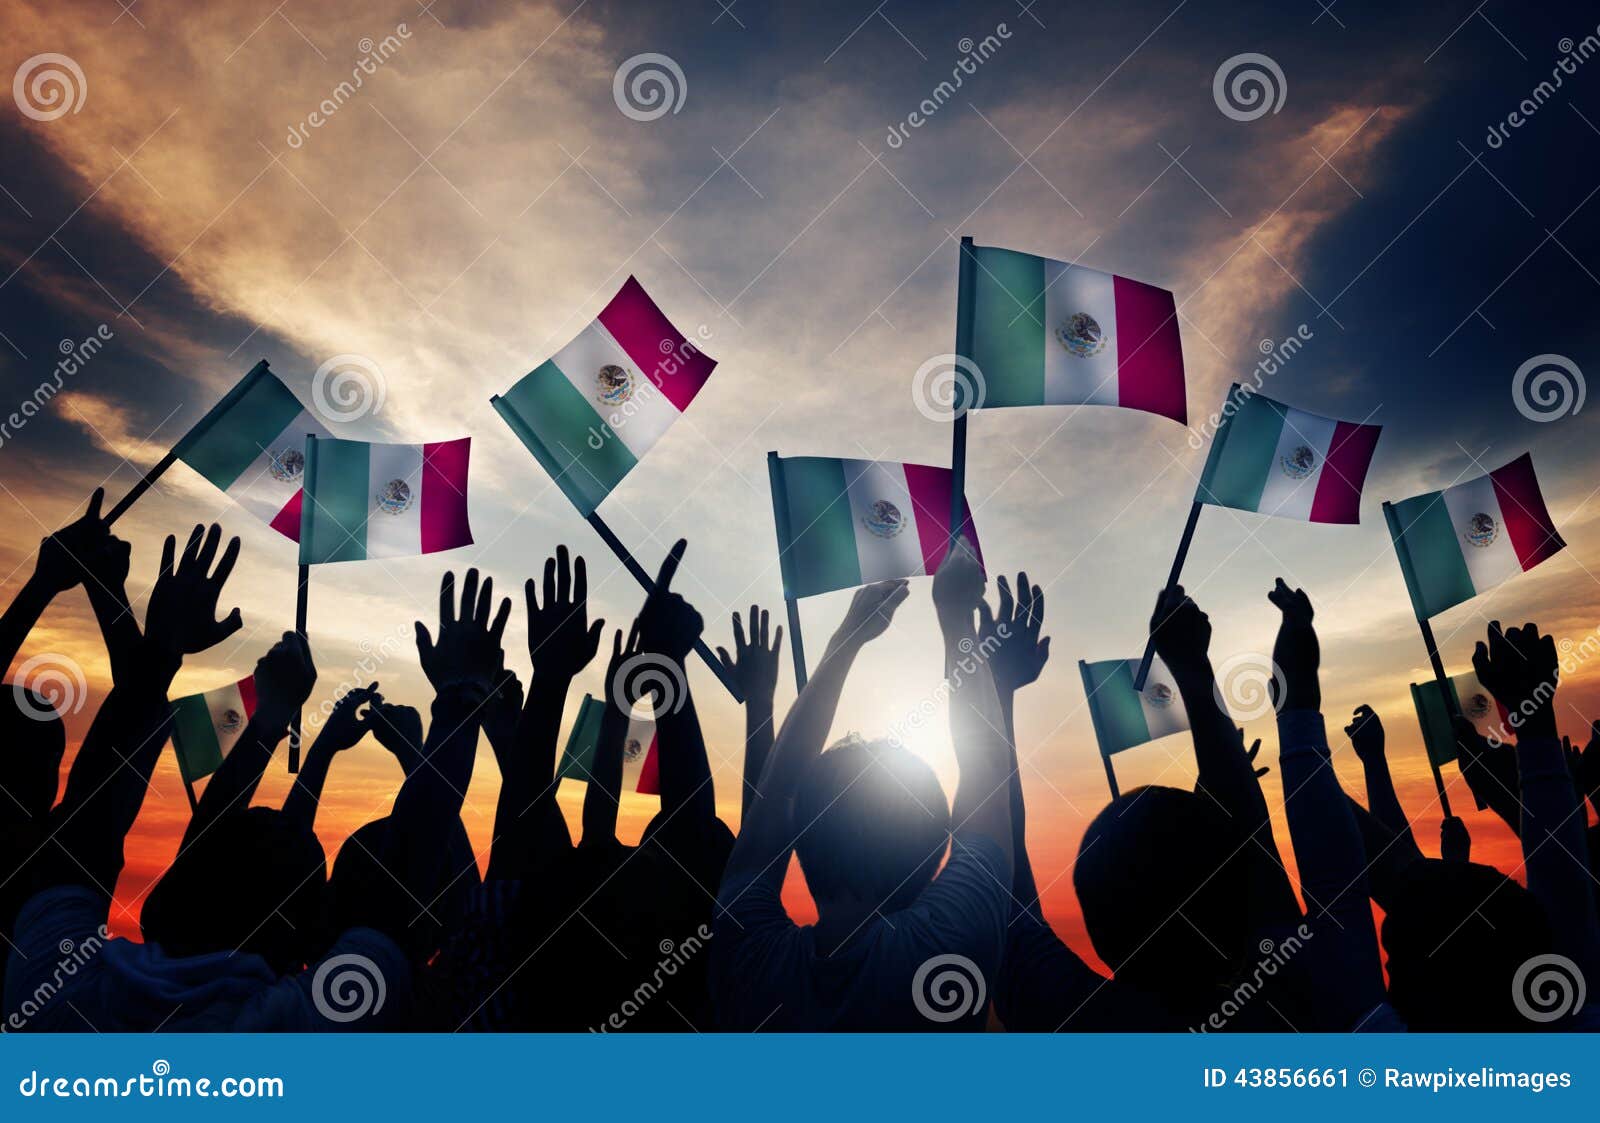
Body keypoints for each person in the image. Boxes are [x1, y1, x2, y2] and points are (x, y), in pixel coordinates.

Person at [712, 538, 1013, 1030]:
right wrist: (956, 618)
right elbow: (986, 768)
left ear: (801, 835)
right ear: (938, 847)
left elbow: (776, 793)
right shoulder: (954, 943)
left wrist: (847, 638)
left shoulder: (748, 955)